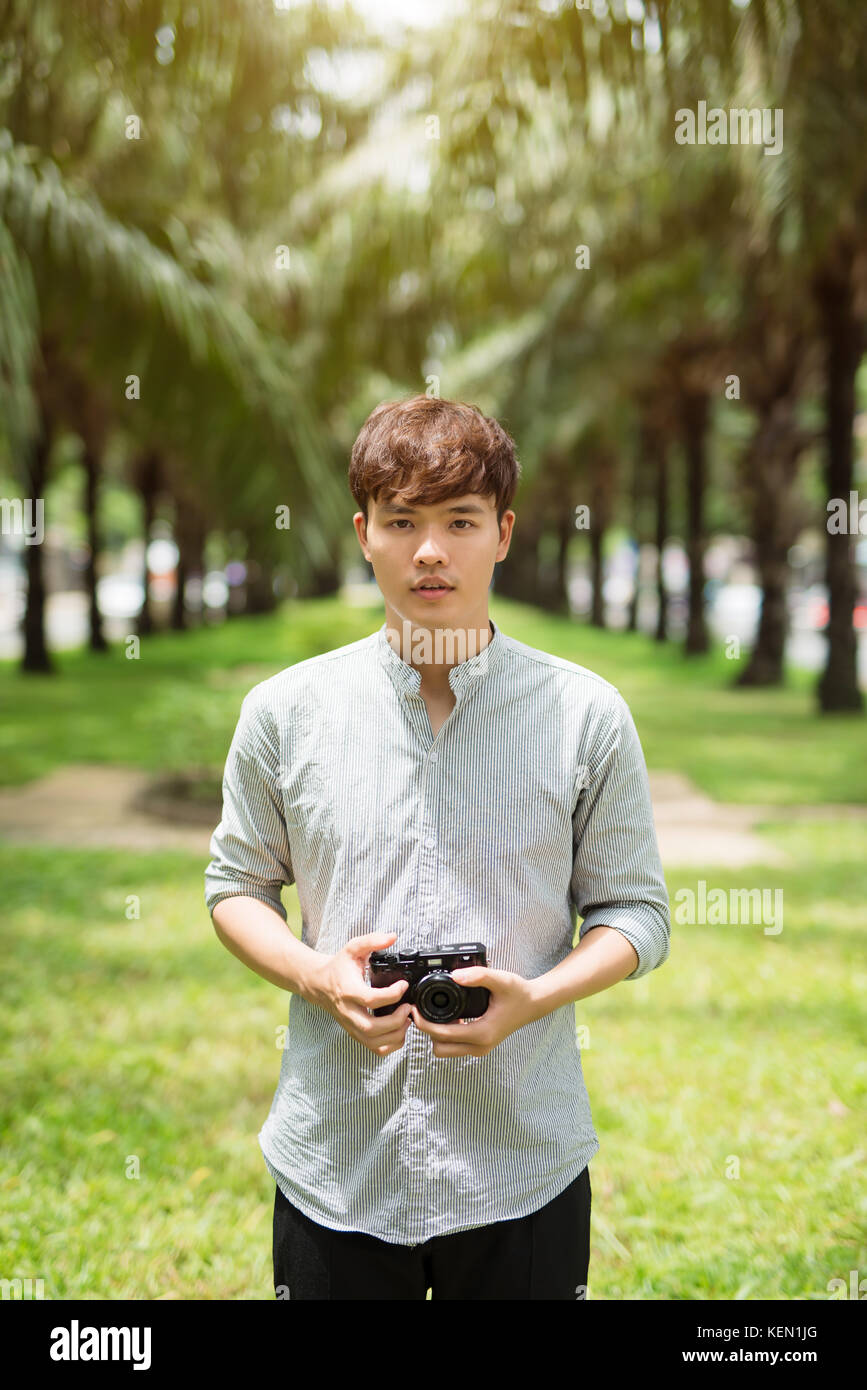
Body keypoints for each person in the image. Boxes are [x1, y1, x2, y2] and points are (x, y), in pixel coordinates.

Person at [204, 394, 671, 1300]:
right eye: (401, 520)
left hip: (519, 1163)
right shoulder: (284, 713)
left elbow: (635, 911)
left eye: (458, 520)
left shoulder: (585, 716)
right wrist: (314, 975)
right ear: (363, 532)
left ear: (501, 533)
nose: (429, 550)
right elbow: (235, 886)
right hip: (337, 1162)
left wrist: (535, 997)